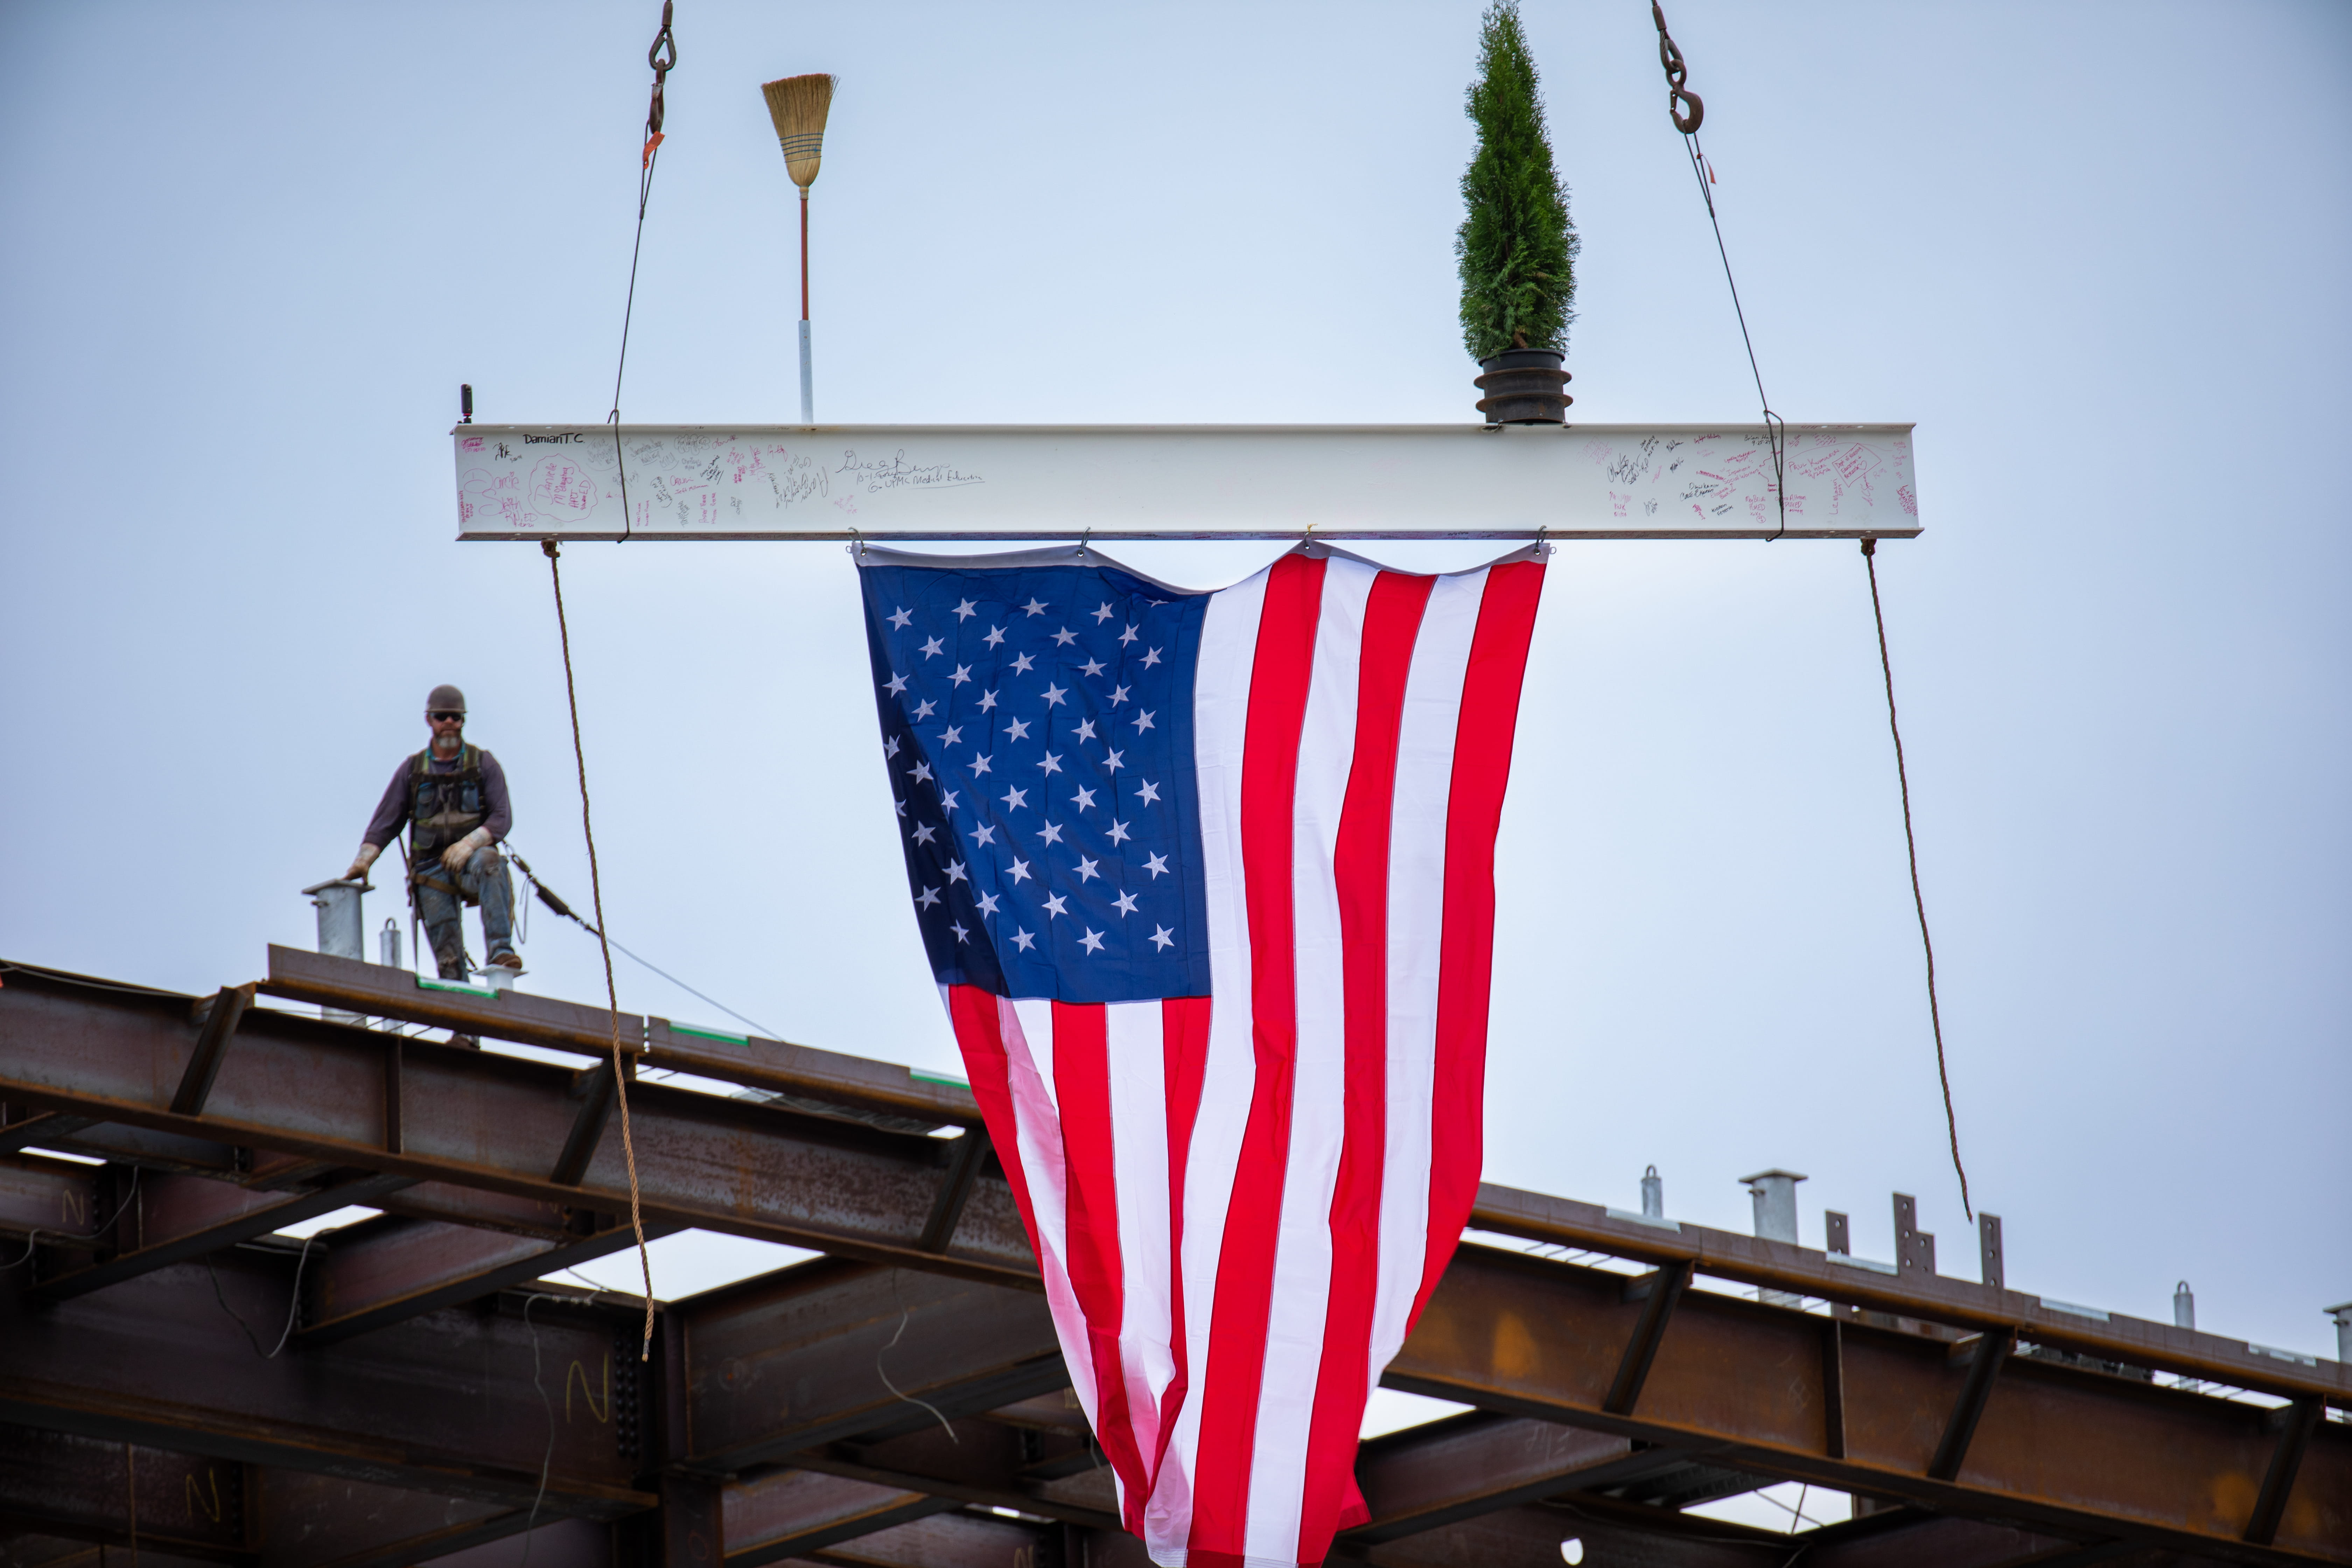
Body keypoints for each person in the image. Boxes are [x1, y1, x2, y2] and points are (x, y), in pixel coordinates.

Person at [345, 685, 520, 980]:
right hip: (430, 872)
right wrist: (363, 861)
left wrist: (468, 845)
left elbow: (502, 817)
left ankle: (501, 950)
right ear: (429, 720)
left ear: (463, 721)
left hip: (471, 863)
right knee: (450, 965)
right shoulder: (413, 771)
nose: (449, 722)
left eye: (456, 717)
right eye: (442, 716)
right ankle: (461, 1007)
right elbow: (385, 823)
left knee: (491, 861)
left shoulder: (483, 764)